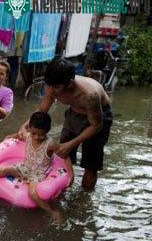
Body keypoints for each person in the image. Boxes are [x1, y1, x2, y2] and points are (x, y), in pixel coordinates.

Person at [17, 57, 113, 191]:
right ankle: (64, 187)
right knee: (61, 153)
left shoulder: (88, 95)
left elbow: (96, 125)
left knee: (90, 163)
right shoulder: (52, 84)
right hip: (73, 113)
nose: (50, 90)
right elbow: (42, 110)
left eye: (55, 87)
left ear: (69, 84)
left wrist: (71, 144)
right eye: (48, 85)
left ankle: (84, 197)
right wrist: (25, 126)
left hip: (98, 118)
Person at [0, 112, 73, 222]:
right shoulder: (27, 136)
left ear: (47, 131)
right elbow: (13, 136)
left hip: (37, 173)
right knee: (3, 170)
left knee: (33, 194)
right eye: (34, 133)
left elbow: (65, 155)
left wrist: (71, 175)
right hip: (23, 167)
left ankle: (52, 211)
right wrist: (7, 139)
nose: (37, 137)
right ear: (29, 128)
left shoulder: (50, 144)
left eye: (41, 134)